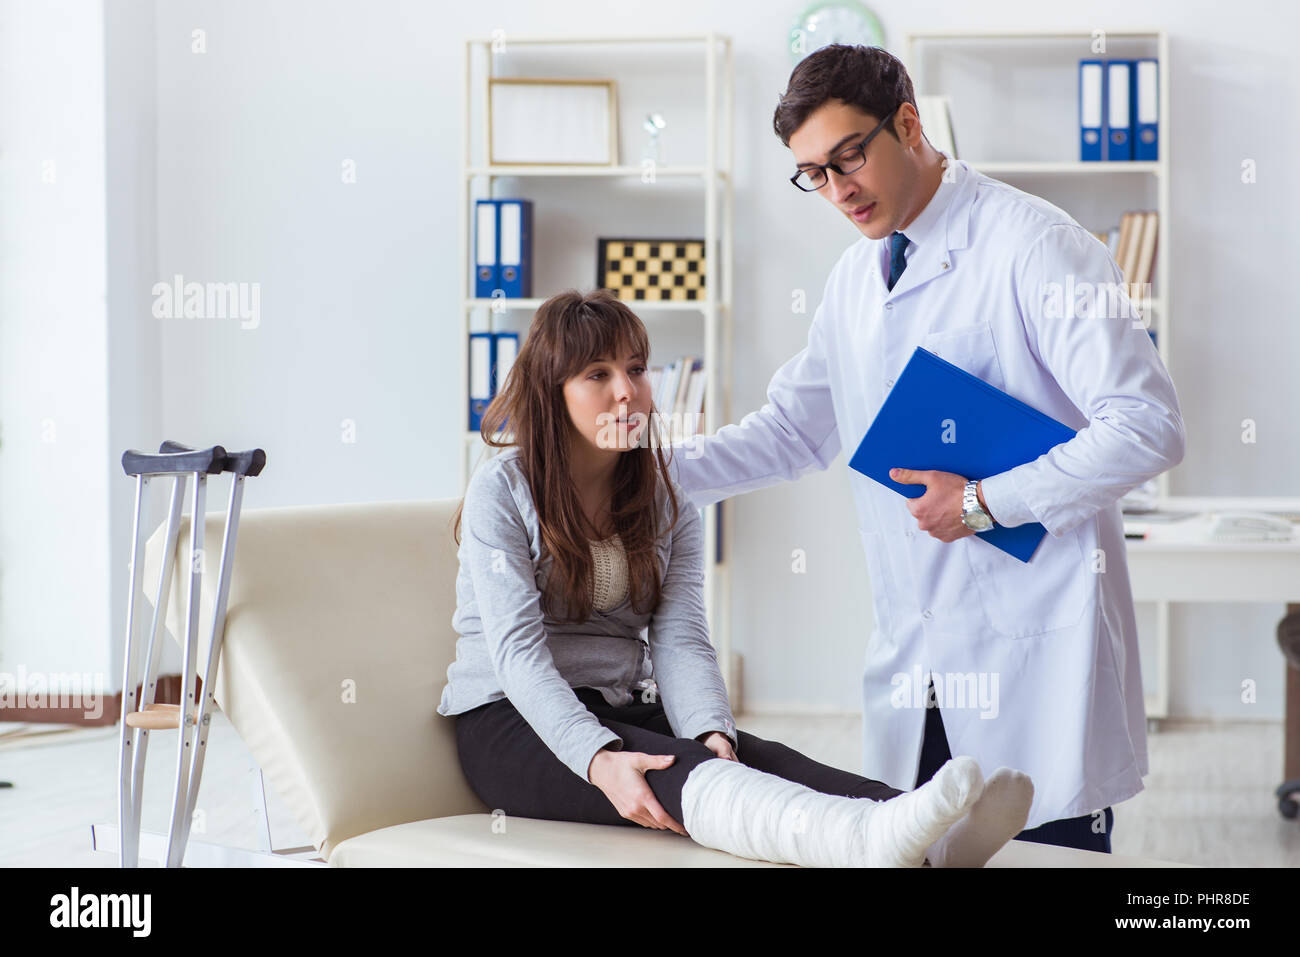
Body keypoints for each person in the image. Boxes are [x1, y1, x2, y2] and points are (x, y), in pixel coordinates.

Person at [670, 44, 1187, 853]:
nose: (839, 191)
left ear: (908, 122)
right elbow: (790, 433)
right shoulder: (853, 281)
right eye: (815, 173)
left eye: (850, 157)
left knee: (1037, 849)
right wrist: (637, 471)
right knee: (920, 848)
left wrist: (984, 503)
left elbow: (1147, 425)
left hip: (1034, 644)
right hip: (917, 655)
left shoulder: (1036, 245)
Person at [437, 288, 1035, 867]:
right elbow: (516, 653)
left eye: (637, 369)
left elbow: (680, 640)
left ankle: (933, 835)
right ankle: (865, 844)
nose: (627, 392)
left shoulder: (665, 498)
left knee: (752, 754)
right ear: (552, 390)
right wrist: (597, 758)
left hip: (615, 703)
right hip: (508, 719)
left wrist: (708, 729)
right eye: (597, 375)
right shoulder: (504, 489)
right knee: (679, 773)